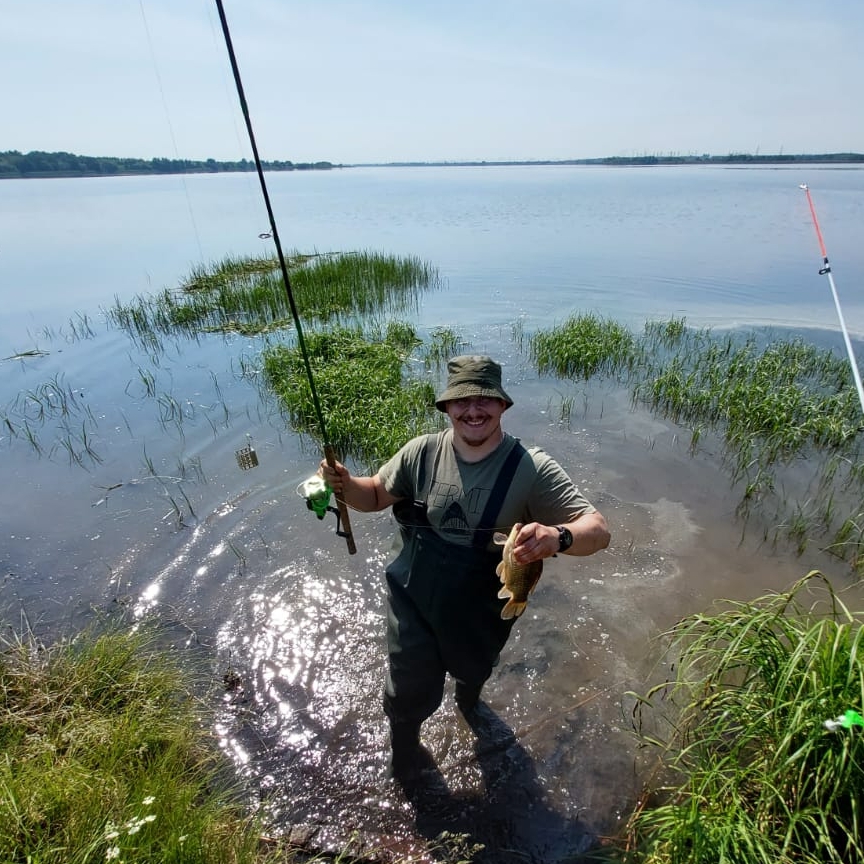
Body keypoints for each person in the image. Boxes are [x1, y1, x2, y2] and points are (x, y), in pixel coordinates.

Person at [319, 355, 610, 777]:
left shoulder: (530, 467)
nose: (473, 410)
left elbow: (598, 531)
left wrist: (557, 537)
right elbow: (376, 495)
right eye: (462, 401)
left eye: (484, 400)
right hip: (414, 598)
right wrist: (345, 484)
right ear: (447, 407)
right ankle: (405, 759)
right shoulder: (421, 452)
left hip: (482, 610)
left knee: (474, 667)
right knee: (408, 688)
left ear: (503, 406)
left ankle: (469, 702)